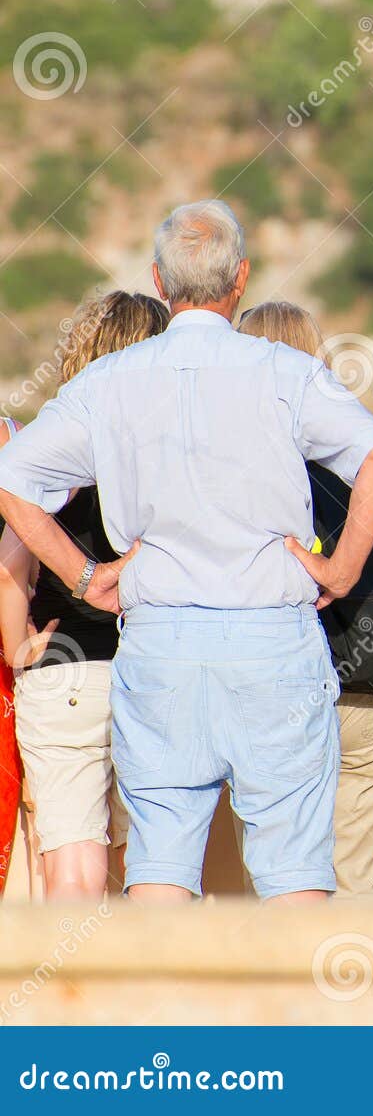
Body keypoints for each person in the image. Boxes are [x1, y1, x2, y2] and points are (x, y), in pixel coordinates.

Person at [0, 200, 373, 904]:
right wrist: (340, 570)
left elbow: (13, 479)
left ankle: (162, 1013)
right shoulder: (285, 372)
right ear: (240, 278)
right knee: (295, 870)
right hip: (273, 639)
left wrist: (84, 574)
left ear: (159, 279)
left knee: (159, 865)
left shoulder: (107, 383)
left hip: (160, 642)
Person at [236, 300, 373, 894]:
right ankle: (342, 978)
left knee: (277, 877)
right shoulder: (364, 452)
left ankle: (279, 980)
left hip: (285, 689)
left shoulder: (252, 461)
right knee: (350, 885)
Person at [0, 291, 167, 899]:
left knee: (71, 846)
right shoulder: (168, 450)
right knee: (149, 848)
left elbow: (7, 566)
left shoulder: (53, 449)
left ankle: (71, 982)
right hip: (154, 664)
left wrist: (18, 646)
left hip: (67, 665)